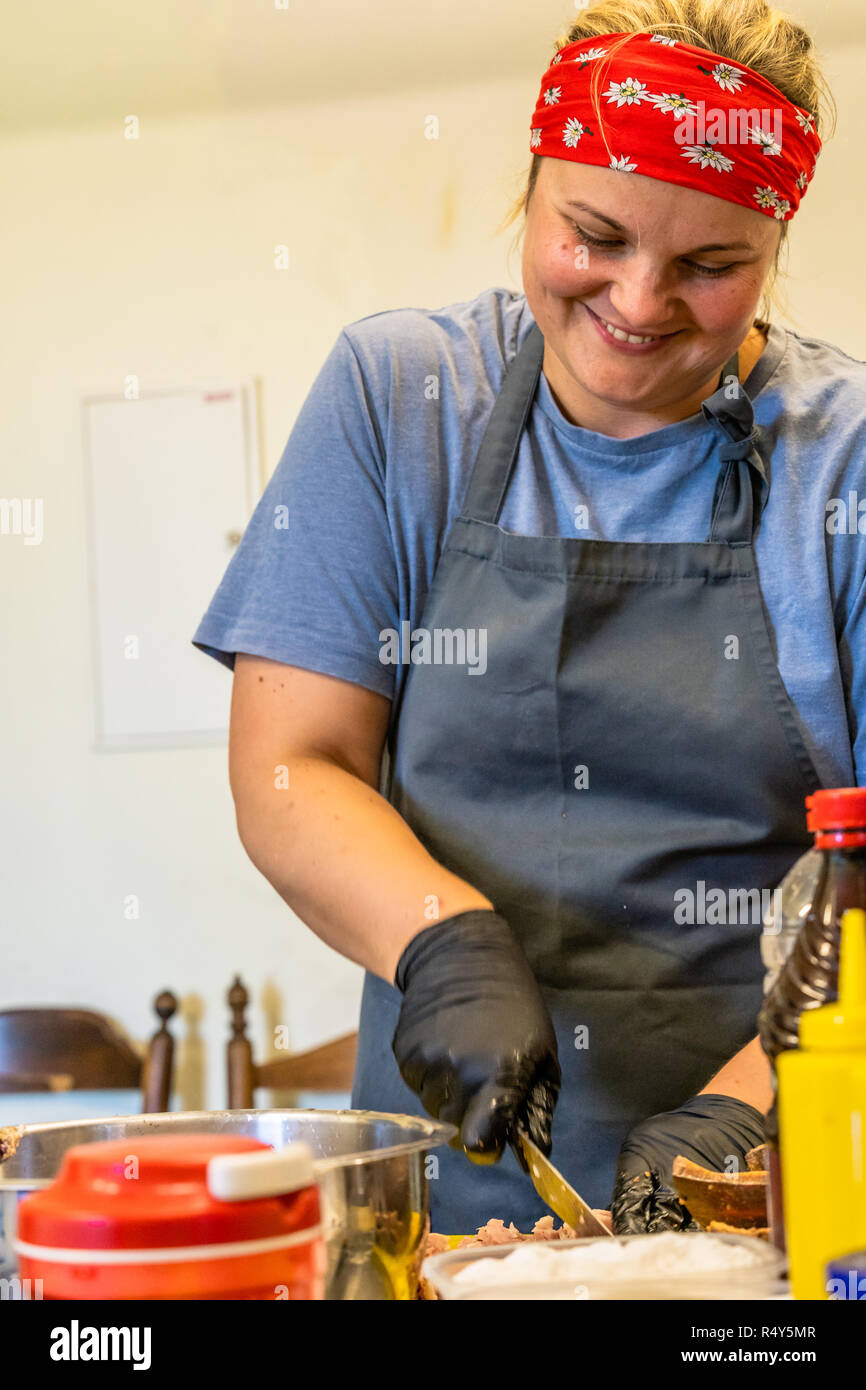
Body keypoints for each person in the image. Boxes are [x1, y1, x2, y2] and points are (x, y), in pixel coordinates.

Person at [194, 0, 865, 1234]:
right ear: (531, 184)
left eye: (710, 267)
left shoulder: (846, 464)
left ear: (774, 244)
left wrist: (744, 1118)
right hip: (450, 1204)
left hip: (778, 1180)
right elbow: (291, 765)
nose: (638, 300)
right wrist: (440, 939)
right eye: (593, 233)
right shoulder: (402, 400)